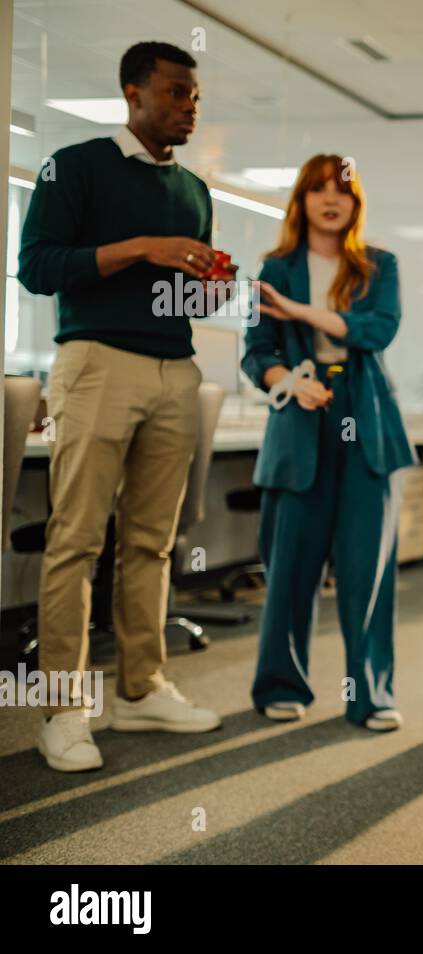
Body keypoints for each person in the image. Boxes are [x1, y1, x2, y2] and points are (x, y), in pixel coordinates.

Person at [17, 41, 223, 773]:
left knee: (151, 543)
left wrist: (209, 287)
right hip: (98, 364)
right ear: (132, 92)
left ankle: (141, 688)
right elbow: (36, 267)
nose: (188, 106)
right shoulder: (73, 167)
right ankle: (64, 710)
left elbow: (183, 283)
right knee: (77, 542)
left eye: (194, 96)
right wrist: (142, 247)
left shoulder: (196, 192)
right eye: (174, 93)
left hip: (176, 371)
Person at [243, 154, 414, 731]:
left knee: (368, 570)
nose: (329, 198)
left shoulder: (377, 265)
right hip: (300, 418)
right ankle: (281, 683)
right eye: (316, 189)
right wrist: (287, 380)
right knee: (291, 564)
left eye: (340, 188)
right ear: (302, 200)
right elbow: (257, 351)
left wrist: (301, 311)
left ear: (355, 201)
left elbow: (378, 329)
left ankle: (370, 695)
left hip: (366, 421)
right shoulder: (275, 266)